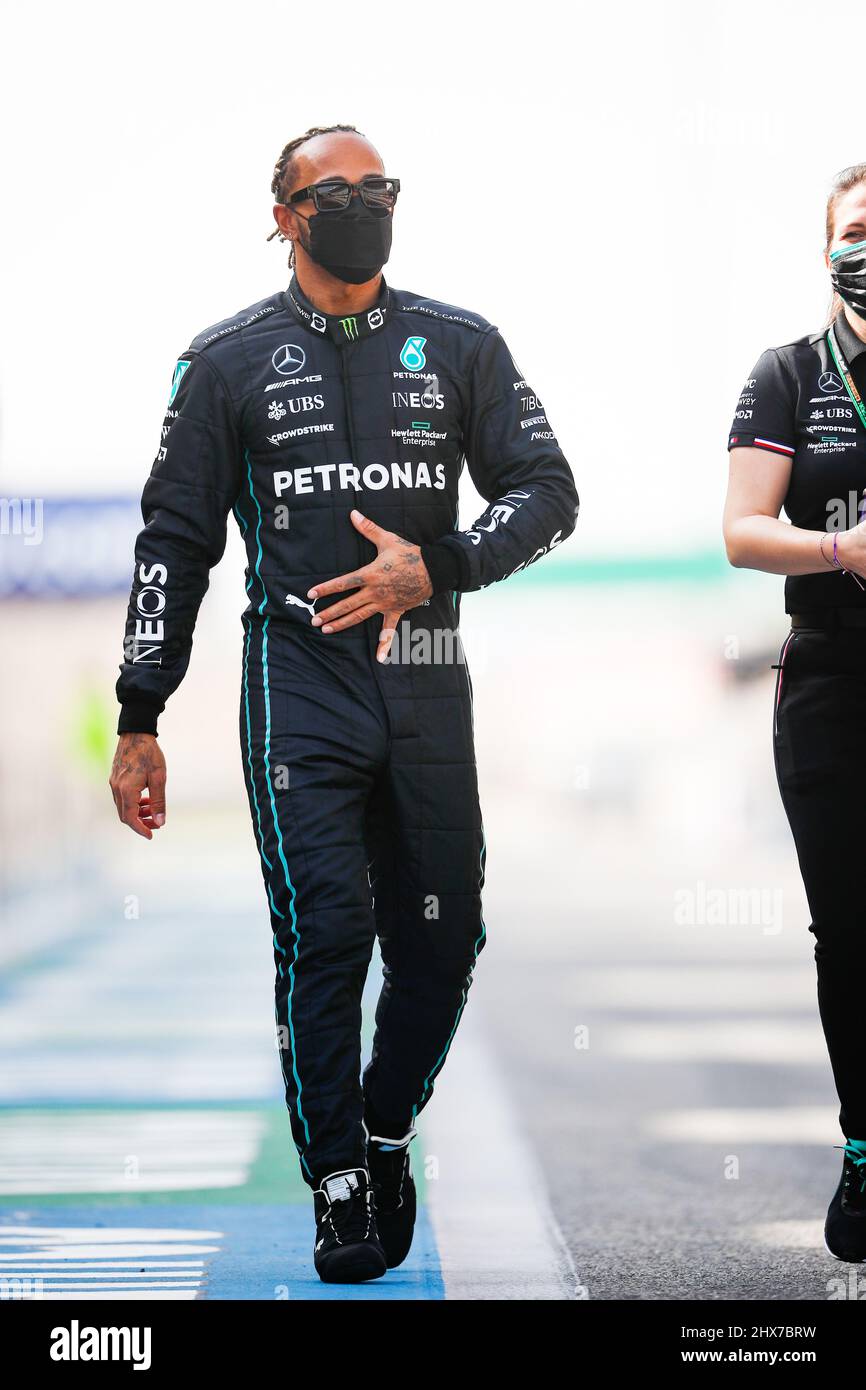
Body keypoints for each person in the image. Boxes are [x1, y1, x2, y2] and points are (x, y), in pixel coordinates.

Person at [109, 124, 579, 1283]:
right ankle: (334, 1185)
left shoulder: (458, 342)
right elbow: (172, 543)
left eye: (381, 188)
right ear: (282, 214)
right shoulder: (223, 360)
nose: (362, 204)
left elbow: (549, 491)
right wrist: (139, 711)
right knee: (327, 929)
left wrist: (442, 565)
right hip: (297, 684)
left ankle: (382, 1130)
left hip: (424, 678)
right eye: (335, 190)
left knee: (444, 935)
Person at [723, 163, 866, 1264]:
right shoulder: (786, 374)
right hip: (829, 684)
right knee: (850, 935)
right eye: (855, 229)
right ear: (825, 246)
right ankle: (863, 1150)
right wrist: (837, 548)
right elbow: (741, 527)